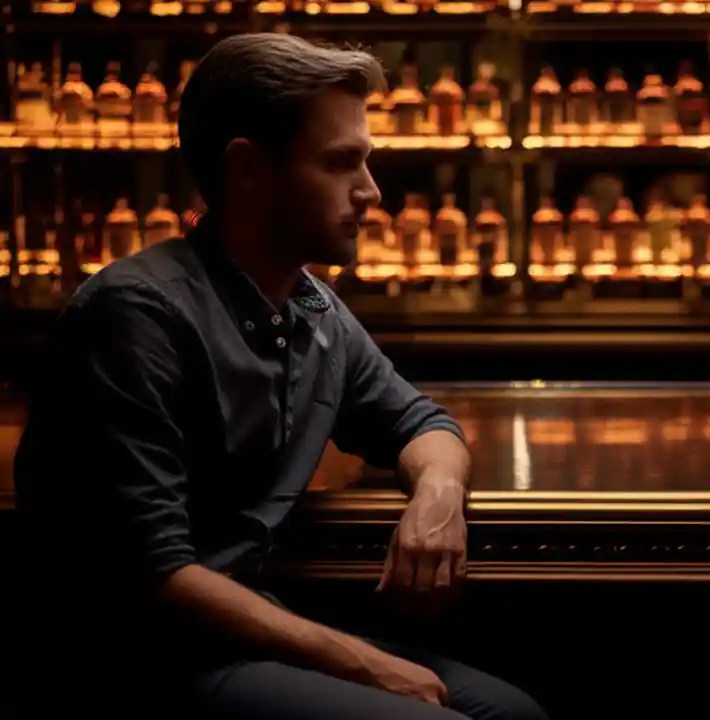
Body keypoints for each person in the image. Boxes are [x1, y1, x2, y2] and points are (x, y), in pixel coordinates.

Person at [13, 33, 546, 720]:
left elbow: (421, 423)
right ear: (247, 171)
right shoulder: (136, 315)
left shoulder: (309, 306)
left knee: (516, 714)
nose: (371, 191)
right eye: (340, 163)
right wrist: (361, 660)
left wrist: (437, 496)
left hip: (253, 636)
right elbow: (153, 575)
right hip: (144, 665)